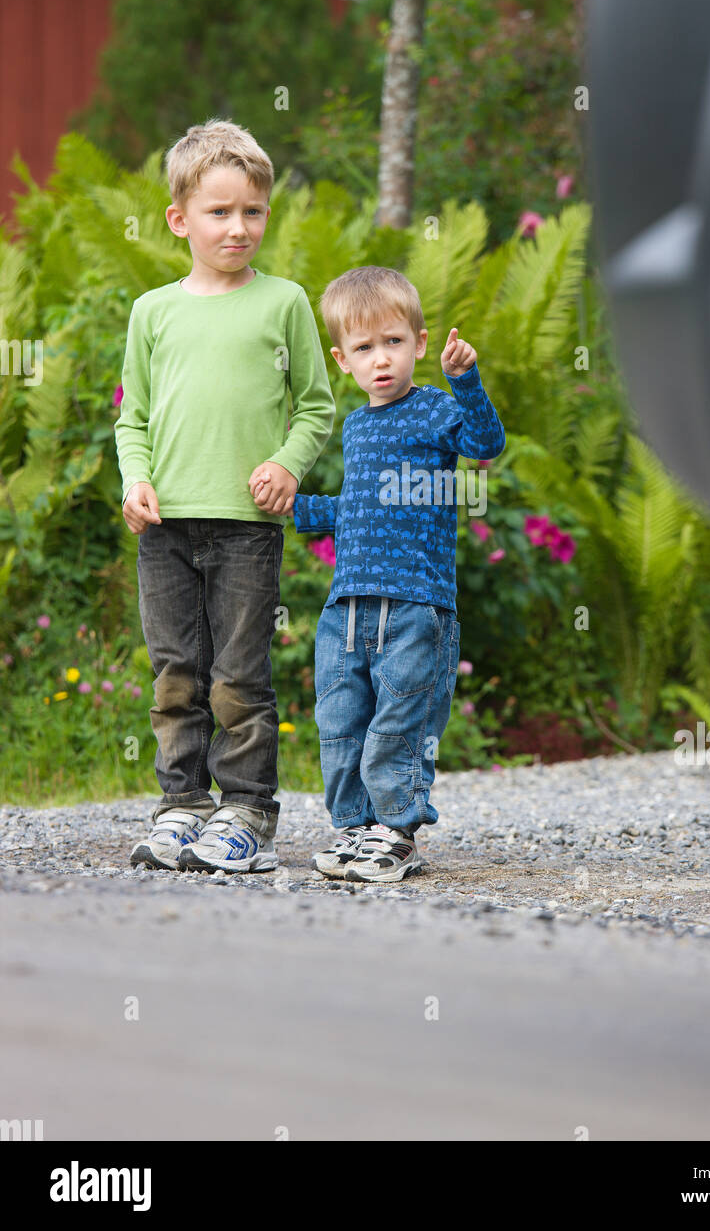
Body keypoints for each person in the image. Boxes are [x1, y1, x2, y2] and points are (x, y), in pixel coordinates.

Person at [116, 118, 336, 873]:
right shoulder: (154, 311)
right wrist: (134, 479)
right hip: (165, 526)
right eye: (219, 212)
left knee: (238, 677)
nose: (238, 227)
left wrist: (288, 464)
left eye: (252, 211)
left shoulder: (285, 303)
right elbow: (133, 417)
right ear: (180, 219)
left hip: (246, 526)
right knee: (176, 673)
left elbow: (315, 405)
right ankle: (182, 805)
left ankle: (247, 812)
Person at [286, 266, 505, 883]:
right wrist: (296, 506)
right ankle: (355, 830)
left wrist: (466, 382)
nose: (380, 359)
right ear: (341, 359)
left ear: (420, 342)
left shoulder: (437, 409)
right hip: (347, 605)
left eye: (393, 342)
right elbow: (358, 506)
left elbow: (486, 444)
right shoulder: (356, 426)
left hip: (416, 605)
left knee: (399, 720)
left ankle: (397, 831)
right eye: (364, 348)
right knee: (341, 717)